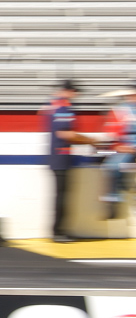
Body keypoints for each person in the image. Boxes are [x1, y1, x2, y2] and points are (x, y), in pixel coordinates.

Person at [43, 80, 88, 242]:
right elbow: (66, 134)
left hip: (57, 156)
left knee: (60, 196)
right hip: (61, 157)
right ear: (69, 91)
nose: (76, 95)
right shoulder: (64, 107)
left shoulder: (53, 105)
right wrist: (90, 140)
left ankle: (59, 230)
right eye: (75, 92)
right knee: (61, 197)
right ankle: (58, 232)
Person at [98, 84, 136, 212]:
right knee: (111, 167)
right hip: (126, 147)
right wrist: (121, 147)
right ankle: (113, 199)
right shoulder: (119, 110)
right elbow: (112, 134)